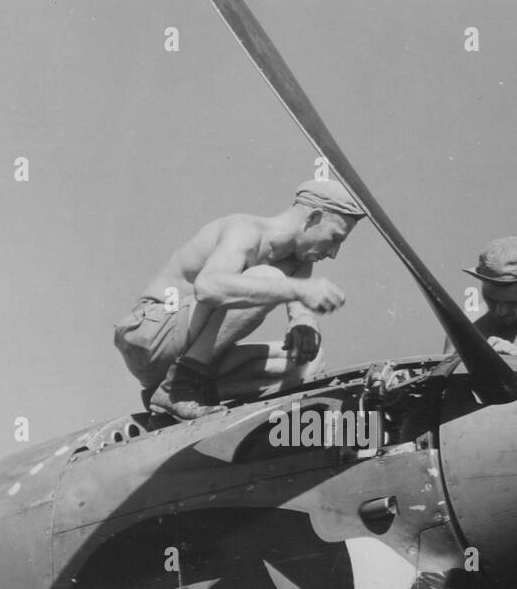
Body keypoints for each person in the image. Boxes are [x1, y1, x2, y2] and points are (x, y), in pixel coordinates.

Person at [114, 179, 366, 420]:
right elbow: (208, 288)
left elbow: (300, 309)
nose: (333, 253)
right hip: (150, 335)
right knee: (267, 277)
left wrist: (304, 323)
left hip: (181, 358)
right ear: (313, 218)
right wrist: (297, 290)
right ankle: (179, 388)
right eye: (335, 238)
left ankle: (175, 398)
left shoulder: (298, 262)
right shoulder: (245, 230)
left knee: (309, 365)